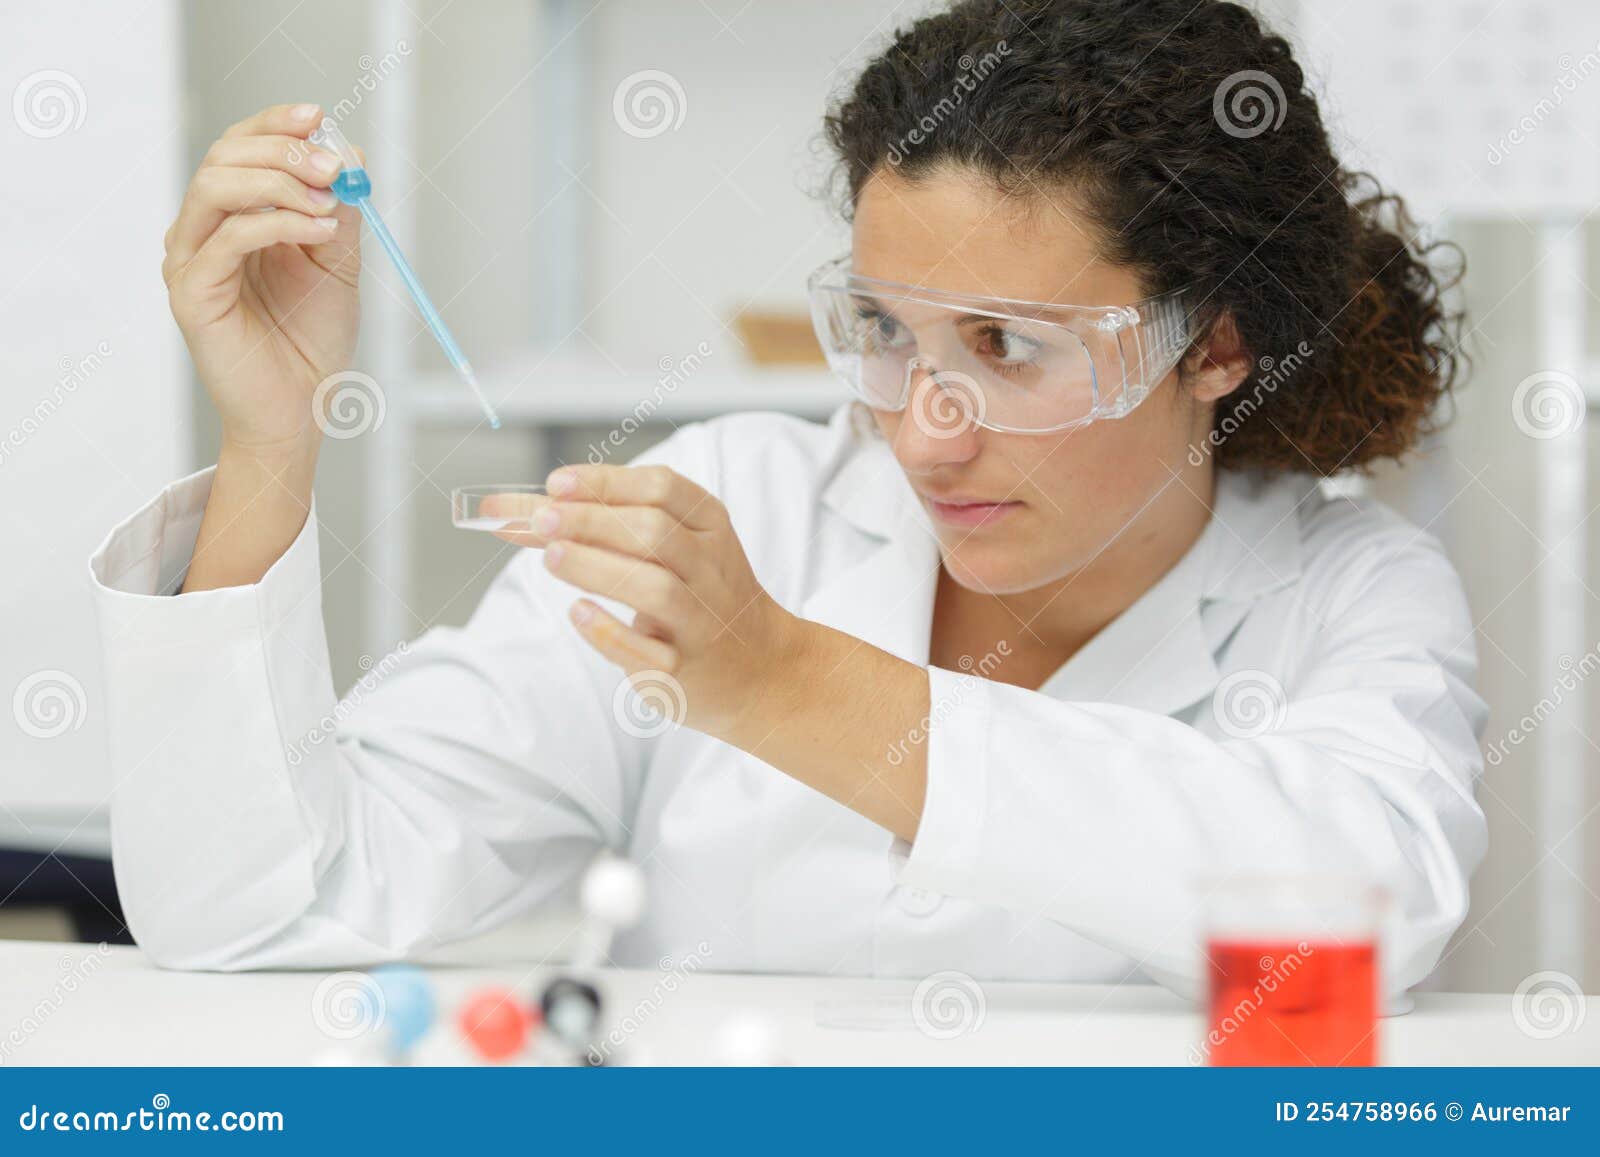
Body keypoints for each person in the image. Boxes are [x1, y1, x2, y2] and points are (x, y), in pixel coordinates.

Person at [91, 0, 1483, 1002]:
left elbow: (1363, 913)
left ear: (1215, 345)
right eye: (888, 330)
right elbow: (256, 907)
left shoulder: (1347, 589)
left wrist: (784, 678)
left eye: (1007, 347)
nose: (923, 435)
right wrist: (273, 439)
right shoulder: (735, 502)